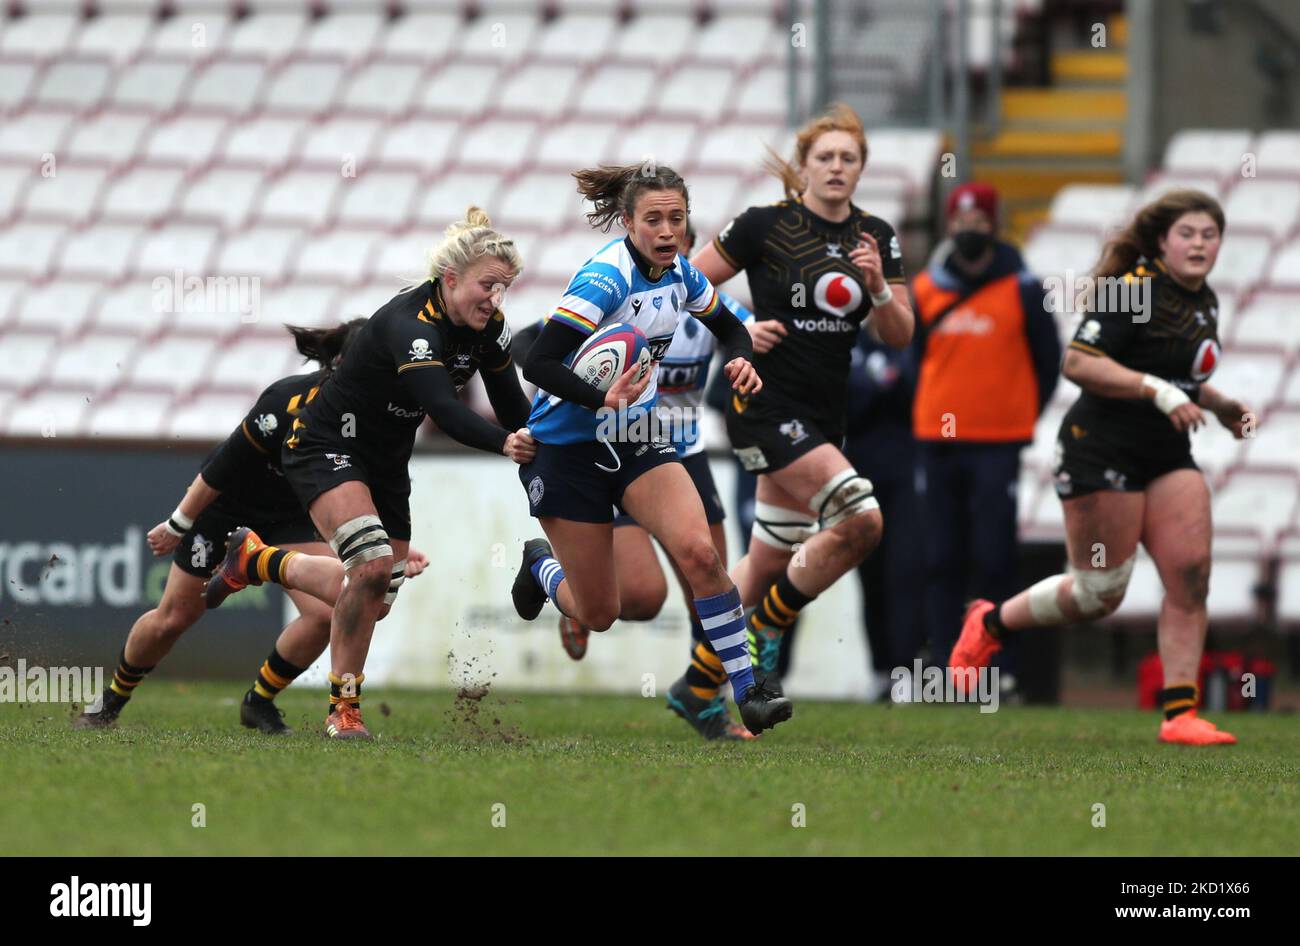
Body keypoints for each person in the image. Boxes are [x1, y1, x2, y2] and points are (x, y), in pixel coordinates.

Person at [949, 189, 1252, 746]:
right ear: (1162, 240)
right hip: (1100, 449)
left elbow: (1176, 373)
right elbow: (1079, 362)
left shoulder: (1203, 299)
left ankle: (1179, 715)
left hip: (1165, 453)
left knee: (1191, 575)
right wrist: (1158, 391)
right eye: (1188, 233)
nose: (1199, 244)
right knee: (1099, 594)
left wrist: (1219, 403)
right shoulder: (1132, 290)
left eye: (1210, 236)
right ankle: (989, 622)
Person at [508, 163, 792, 735]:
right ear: (629, 224)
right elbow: (536, 359)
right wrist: (598, 395)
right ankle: (540, 565)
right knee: (602, 612)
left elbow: (731, 328)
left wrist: (742, 358)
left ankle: (749, 690)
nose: (667, 231)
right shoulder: (605, 279)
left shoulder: (682, 274)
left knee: (702, 557)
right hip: (566, 450)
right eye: (654, 220)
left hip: (639, 437)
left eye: (676, 219)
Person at [73, 320, 430, 733]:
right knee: (175, 616)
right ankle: (109, 701)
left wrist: (387, 551)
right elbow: (223, 465)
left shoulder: (378, 415)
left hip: (292, 513)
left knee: (324, 611)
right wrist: (178, 523)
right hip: (227, 508)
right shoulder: (287, 399)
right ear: (344, 363)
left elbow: (373, 488)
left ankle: (258, 701)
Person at [280, 207, 535, 739]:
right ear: (450, 280)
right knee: (370, 567)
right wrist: (504, 443)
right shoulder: (411, 326)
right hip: (327, 445)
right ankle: (343, 710)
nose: (495, 299)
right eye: (488, 285)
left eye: (504, 288)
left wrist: (550, 439)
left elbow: (513, 407)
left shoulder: (490, 328)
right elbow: (444, 409)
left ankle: (259, 561)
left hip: (387, 463)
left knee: (376, 600)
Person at [687, 102, 915, 691]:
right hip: (762, 405)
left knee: (767, 560)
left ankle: (699, 682)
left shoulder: (876, 237)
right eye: (825, 157)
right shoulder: (764, 224)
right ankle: (766, 628)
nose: (837, 166)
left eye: (848, 157)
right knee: (863, 518)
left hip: (821, 416)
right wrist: (737, 320)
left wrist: (878, 292)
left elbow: (900, 335)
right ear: (804, 166)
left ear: (861, 169)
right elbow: (684, 281)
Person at [911, 182, 1060, 669]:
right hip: (937, 439)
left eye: (978, 222)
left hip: (998, 443)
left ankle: (999, 666)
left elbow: (1048, 362)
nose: (968, 230)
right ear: (950, 225)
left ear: (993, 226)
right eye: (961, 222)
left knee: (995, 556)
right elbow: (914, 360)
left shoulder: (1023, 288)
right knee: (939, 556)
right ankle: (942, 661)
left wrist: (1017, 414)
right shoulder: (926, 289)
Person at [844, 328, 922, 699]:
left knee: (906, 572)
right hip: (859, 476)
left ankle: (907, 668)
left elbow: (917, 393)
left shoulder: (910, 339)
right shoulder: (849, 341)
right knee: (870, 576)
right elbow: (846, 400)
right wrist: (877, 386)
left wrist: (887, 383)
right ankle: (881, 670)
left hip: (907, 476)